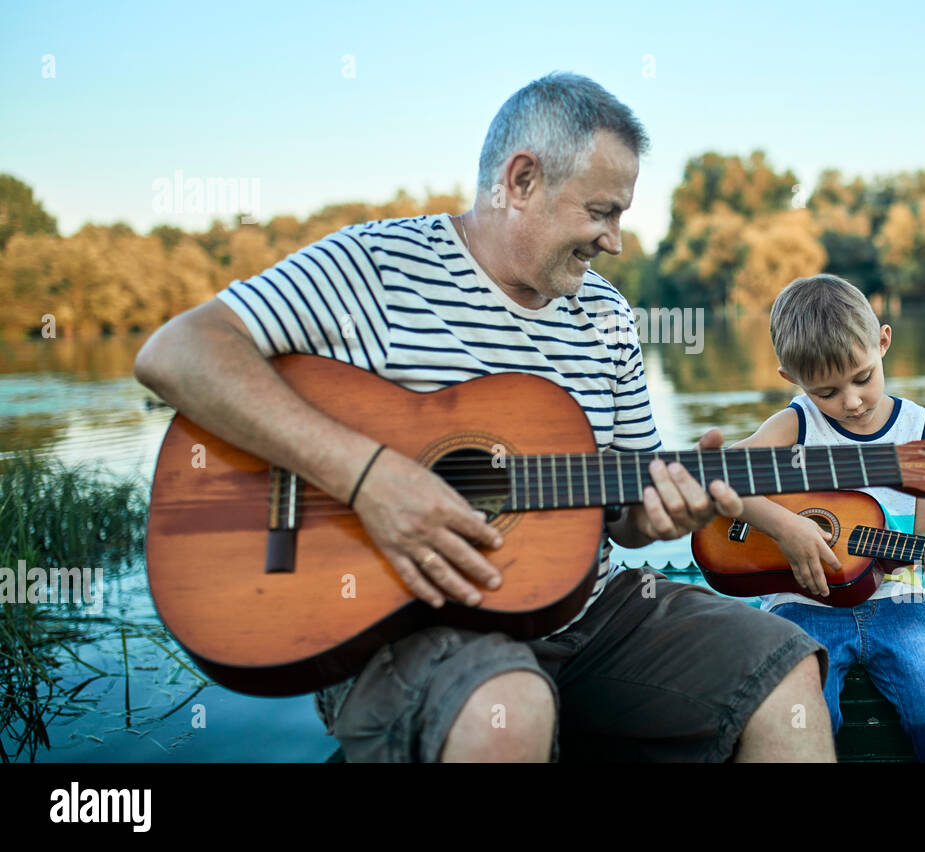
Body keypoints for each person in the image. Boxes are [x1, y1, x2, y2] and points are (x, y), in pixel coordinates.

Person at [133, 72, 832, 762]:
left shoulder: (607, 315)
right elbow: (178, 352)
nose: (615, 240)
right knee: (510, 710)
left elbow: (624, 510)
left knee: (788, 671)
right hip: (402, 630)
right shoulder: (376, 265)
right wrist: (368, 477)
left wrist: (658, 516)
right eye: (602, 211)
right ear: (521, 180)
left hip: (587, 614)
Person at [725, 274, 925, 761]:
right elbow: (723, 476)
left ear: (883, 341)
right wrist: (785, 526)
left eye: (863, 377)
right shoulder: (795, 424)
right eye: (826, 391)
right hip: (802, 605)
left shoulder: (920, 429)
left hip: (899, 602)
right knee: (806, 716)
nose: (852, 401)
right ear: (792, 380)